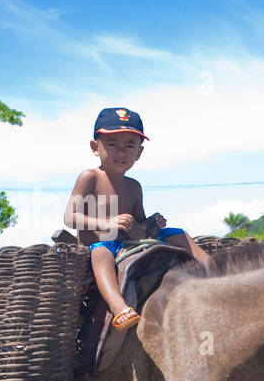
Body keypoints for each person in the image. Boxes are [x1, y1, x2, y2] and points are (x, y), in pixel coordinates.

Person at [64, 107, 213, 329]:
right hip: (99, 243)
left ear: (139, 153)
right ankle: (119, 308)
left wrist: (153, 223)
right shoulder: (90, 178)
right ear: (96, 148)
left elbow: (139, 226)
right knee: (102, 253)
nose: (121, 152)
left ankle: (215, 273)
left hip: (128, 242)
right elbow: (70, 217)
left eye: (129, 146)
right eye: (112, 144)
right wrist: (107, 224)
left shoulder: (134, 186)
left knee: (178, 234)